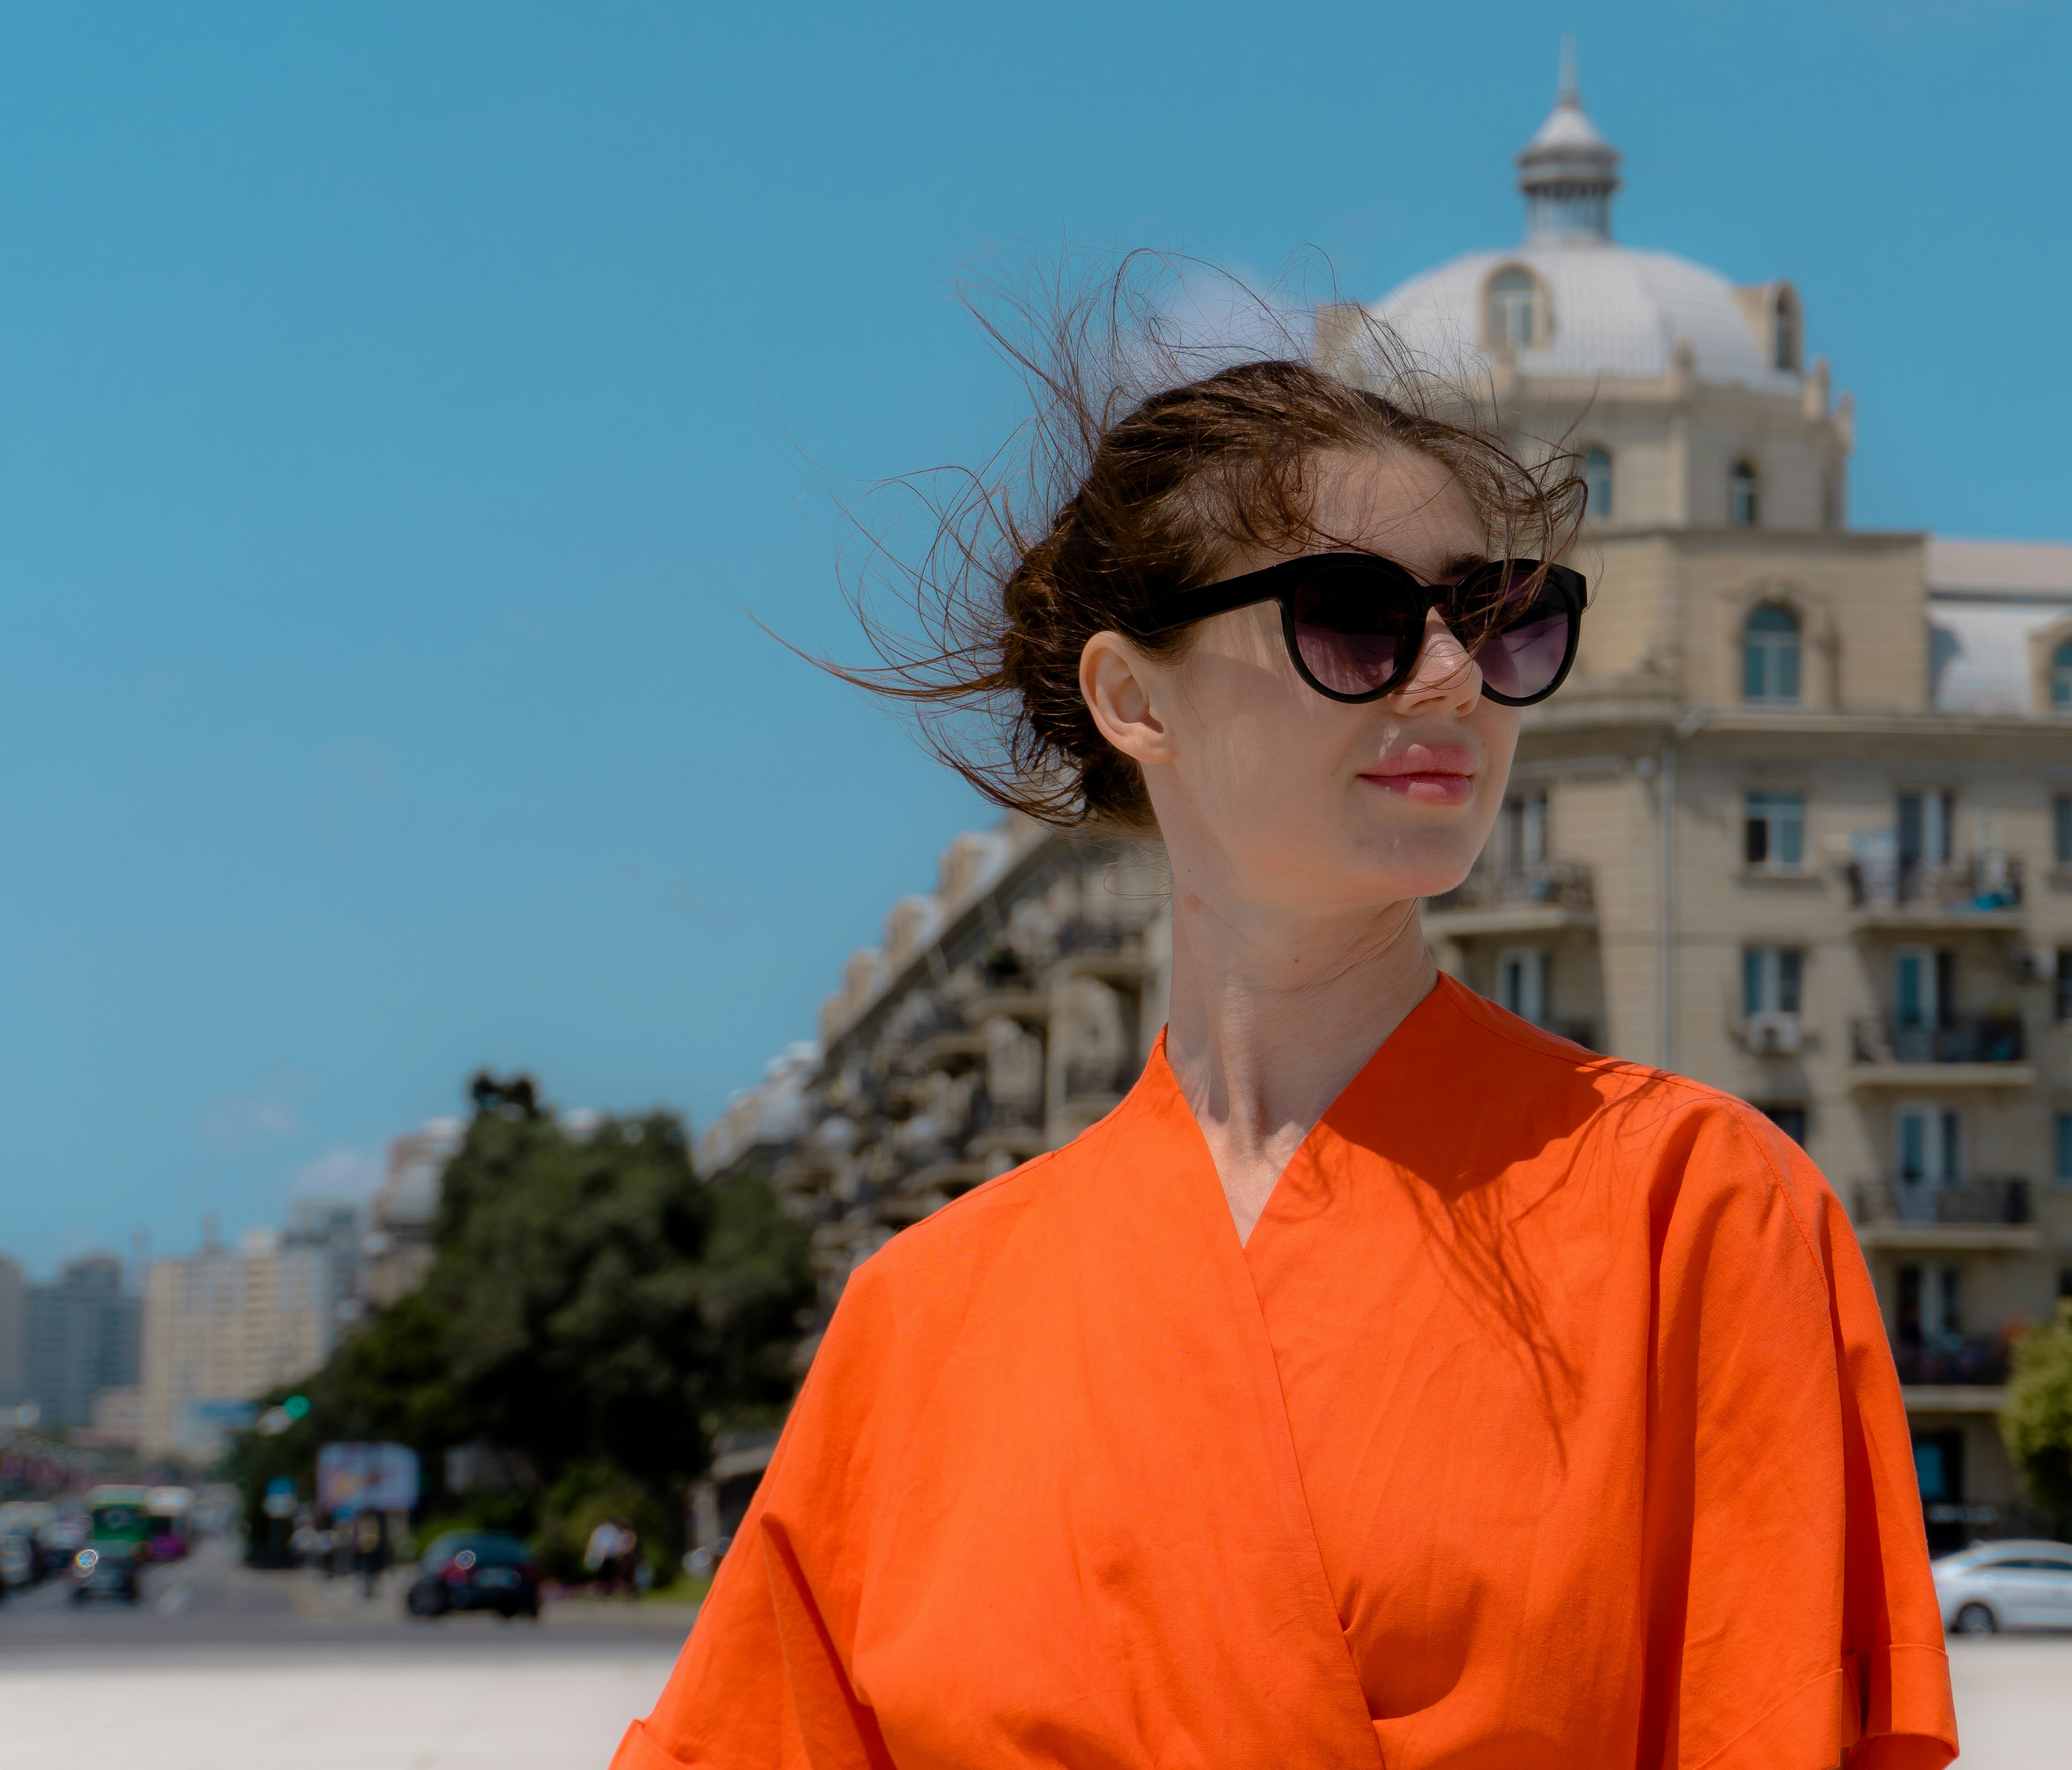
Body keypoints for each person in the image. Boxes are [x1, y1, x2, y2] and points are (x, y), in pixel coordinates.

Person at [616, 320, 1954, 1768]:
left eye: (1500, 615)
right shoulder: (918, 1320)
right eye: (1354, 617)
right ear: (1135, 699)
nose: (1449, 679)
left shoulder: (1696, 1208)